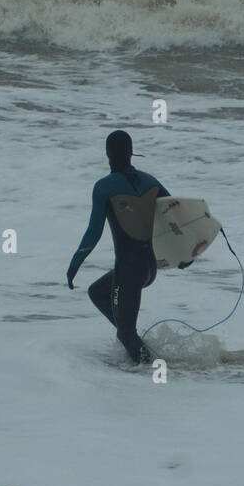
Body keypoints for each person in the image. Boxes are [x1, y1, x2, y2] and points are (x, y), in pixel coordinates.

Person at [66, 131, 173, 363]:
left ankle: (153, 370)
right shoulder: (150, 181)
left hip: (128, 271)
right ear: (131, 152)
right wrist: (184, 254)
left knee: (125, 333)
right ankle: (138, 343)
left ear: (107, 154)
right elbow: (176, 214)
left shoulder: (104, 187)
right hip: (148, 268)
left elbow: (94, 232)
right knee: (97, 293)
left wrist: (75, 264)